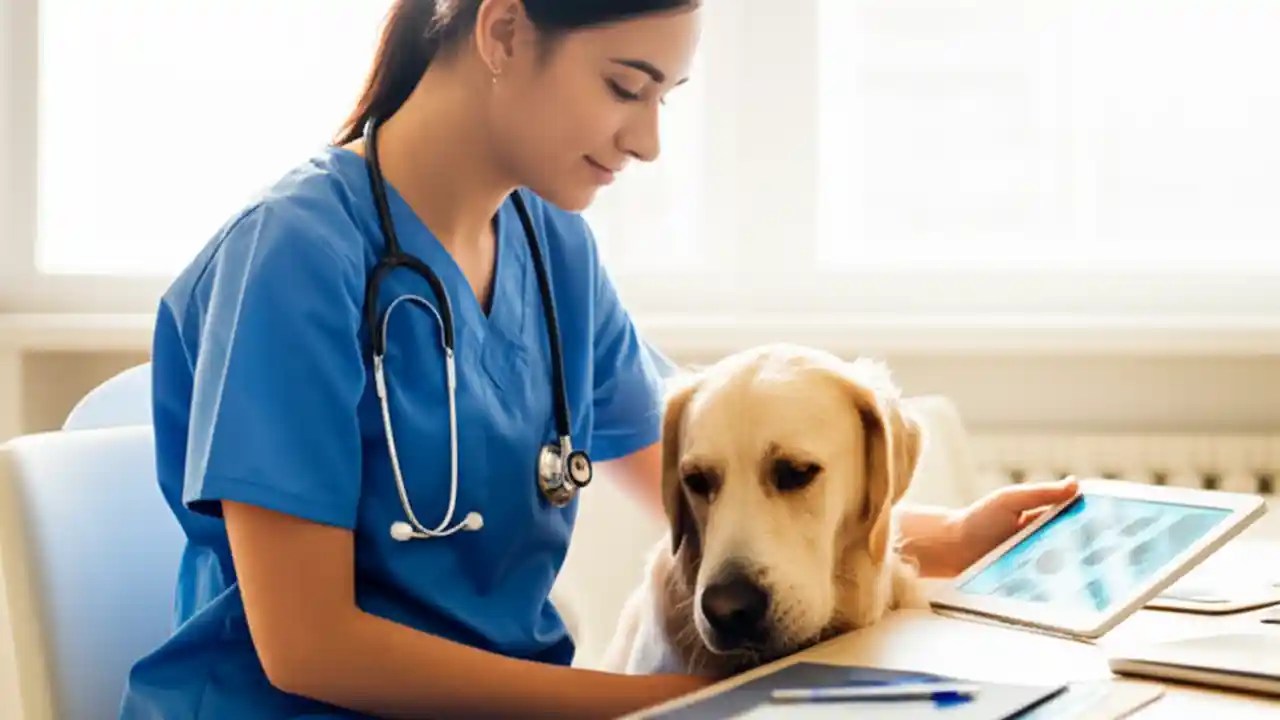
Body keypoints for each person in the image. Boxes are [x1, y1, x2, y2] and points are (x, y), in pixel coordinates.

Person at [118, 1, 1079, 718]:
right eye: (626, 87)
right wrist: (679, 706)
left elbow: (704, 476)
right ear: (502, 31)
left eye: (665, 98)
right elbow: (309, 649)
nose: (649, 141)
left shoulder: (551, 251)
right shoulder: (294, 257)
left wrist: (945, 535)